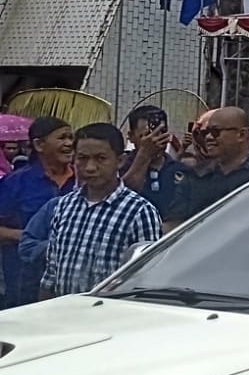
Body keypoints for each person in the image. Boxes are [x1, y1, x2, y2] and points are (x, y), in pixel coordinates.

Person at [40, 123, 162, 299]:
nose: (90, 167)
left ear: (119, 161)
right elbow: (51, 273)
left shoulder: (139, 212)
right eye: (82, 158)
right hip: (64, 313)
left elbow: (146, 278)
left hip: (110, 317)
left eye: (100, 158)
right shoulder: (65, 206)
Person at [0, 115, 75, 306]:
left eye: (71, 138)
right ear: (39, 145)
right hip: (23, 278)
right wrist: (28, 237)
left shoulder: (83, 181)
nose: (69, 144)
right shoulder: (16, 183)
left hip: (68, 280)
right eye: (62, 138)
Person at [164, 107, 249, 225]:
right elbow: (173, 224)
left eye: (216, 132)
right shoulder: (195, 175)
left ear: (241, 134)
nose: (208, 138)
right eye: (205, 133)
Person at [121, 106, 181, 220]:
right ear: (131, 137)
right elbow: (120, 197)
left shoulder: (179, 170)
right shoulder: (119, 165)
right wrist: (144, 155)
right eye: (148, 135)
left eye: (161, 133)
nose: (156, 139)